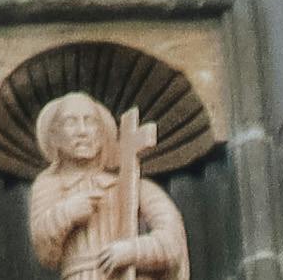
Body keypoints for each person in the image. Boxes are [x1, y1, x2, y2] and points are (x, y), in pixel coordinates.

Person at [20, 94, 184, 280]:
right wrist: (66, 213)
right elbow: (45, 254)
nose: (82, 131)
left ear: (102, 133)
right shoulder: (49, 185)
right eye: (70, 122)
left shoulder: (135, 186)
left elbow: (172, 242)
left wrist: (132, 250)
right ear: (54, 136)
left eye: (90, 122)